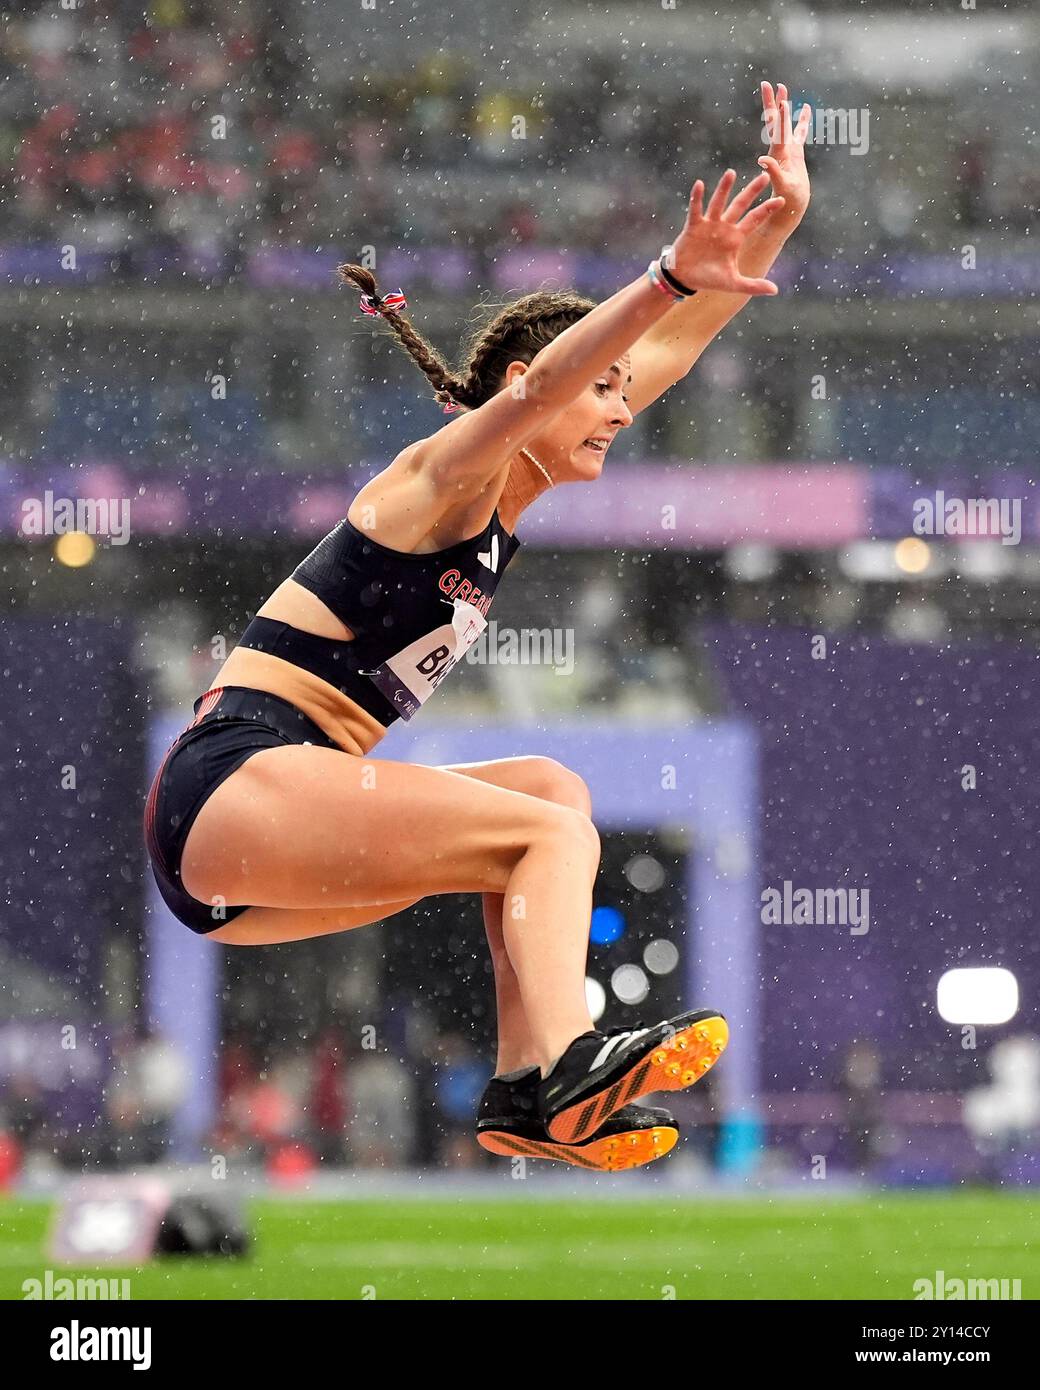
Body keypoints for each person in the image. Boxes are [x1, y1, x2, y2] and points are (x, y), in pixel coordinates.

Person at [144, 84, 812, 1169]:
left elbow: (670, 349)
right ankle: (567, 1063)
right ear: (521, 389)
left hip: (252, 847)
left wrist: (773, 221)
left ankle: (520, 1086)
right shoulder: (445, 473)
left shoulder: (507, 499)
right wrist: (664, 273)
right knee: (546, 837)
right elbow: (565, 371)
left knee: (551, 795)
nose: (614, 408)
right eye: (598, 390)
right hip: (232, 785)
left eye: (615, 392)